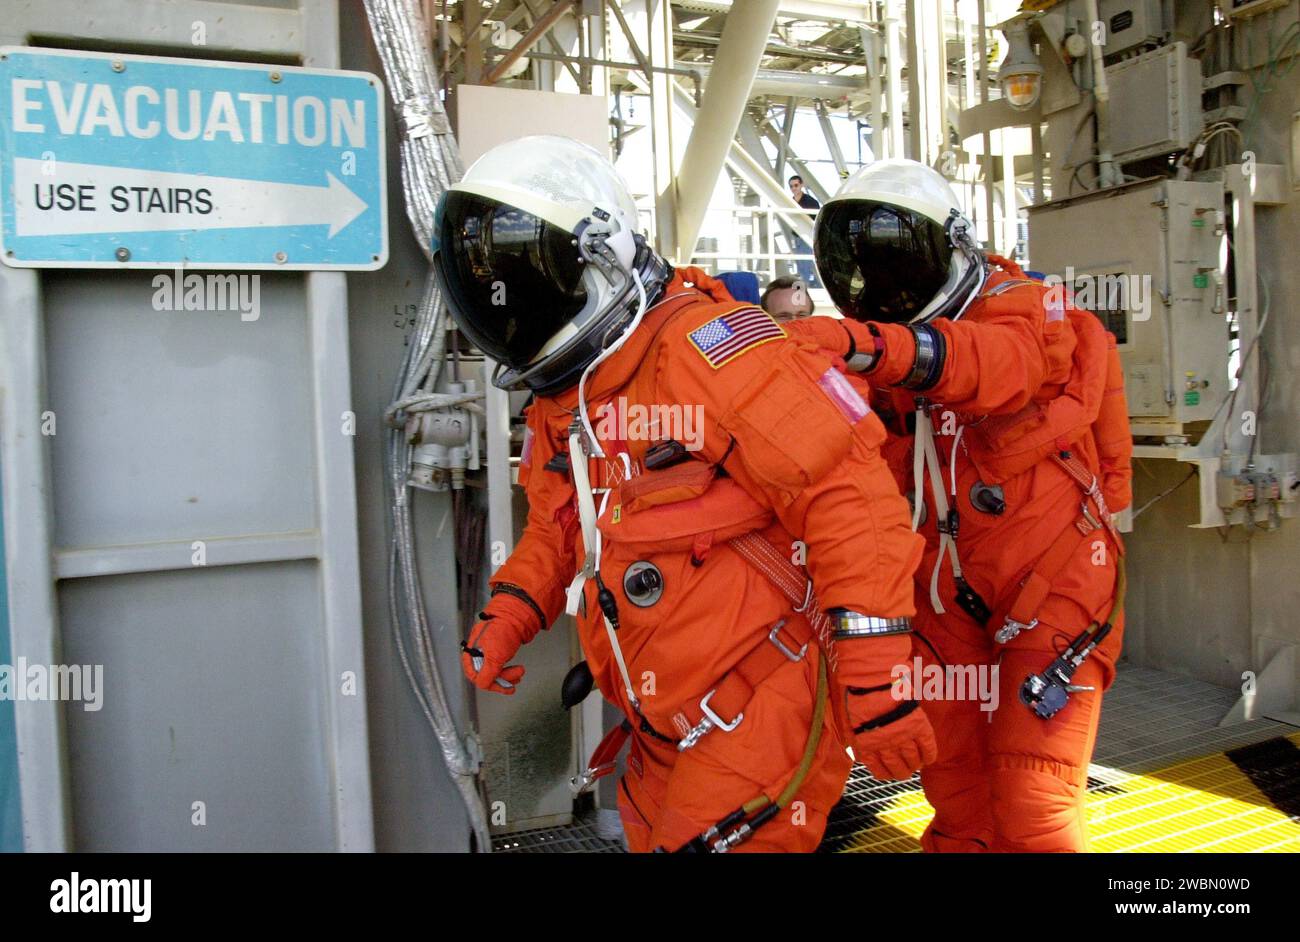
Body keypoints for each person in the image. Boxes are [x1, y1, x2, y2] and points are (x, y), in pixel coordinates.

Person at [432, 136, 934, 853]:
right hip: (660, 715)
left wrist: (878, 675)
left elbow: (847, 494)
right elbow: (561, 525)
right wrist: (511, 609)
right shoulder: (570, 393)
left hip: (759, 702)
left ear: (597, 259)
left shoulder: (713, 347)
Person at [793, 158, 1132, 852]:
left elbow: (989, 365)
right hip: (944, 598)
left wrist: (862, 345)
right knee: (956, 793)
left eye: (894, 262)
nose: (879, 288)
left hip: (1055, 586)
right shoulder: (879, 362)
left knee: (1033, 800)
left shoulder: (1032, 312)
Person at [788, 175, 821, 288]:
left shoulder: (811, 202)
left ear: (801, 185)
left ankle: (805, 289)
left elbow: (816, 220)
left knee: (806, 264)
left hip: (807, 235)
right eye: (791, 186)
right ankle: (808, 287)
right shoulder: (790, 201)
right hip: (796, 237)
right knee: (801, 263)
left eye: (796, 185)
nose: (794, 188)